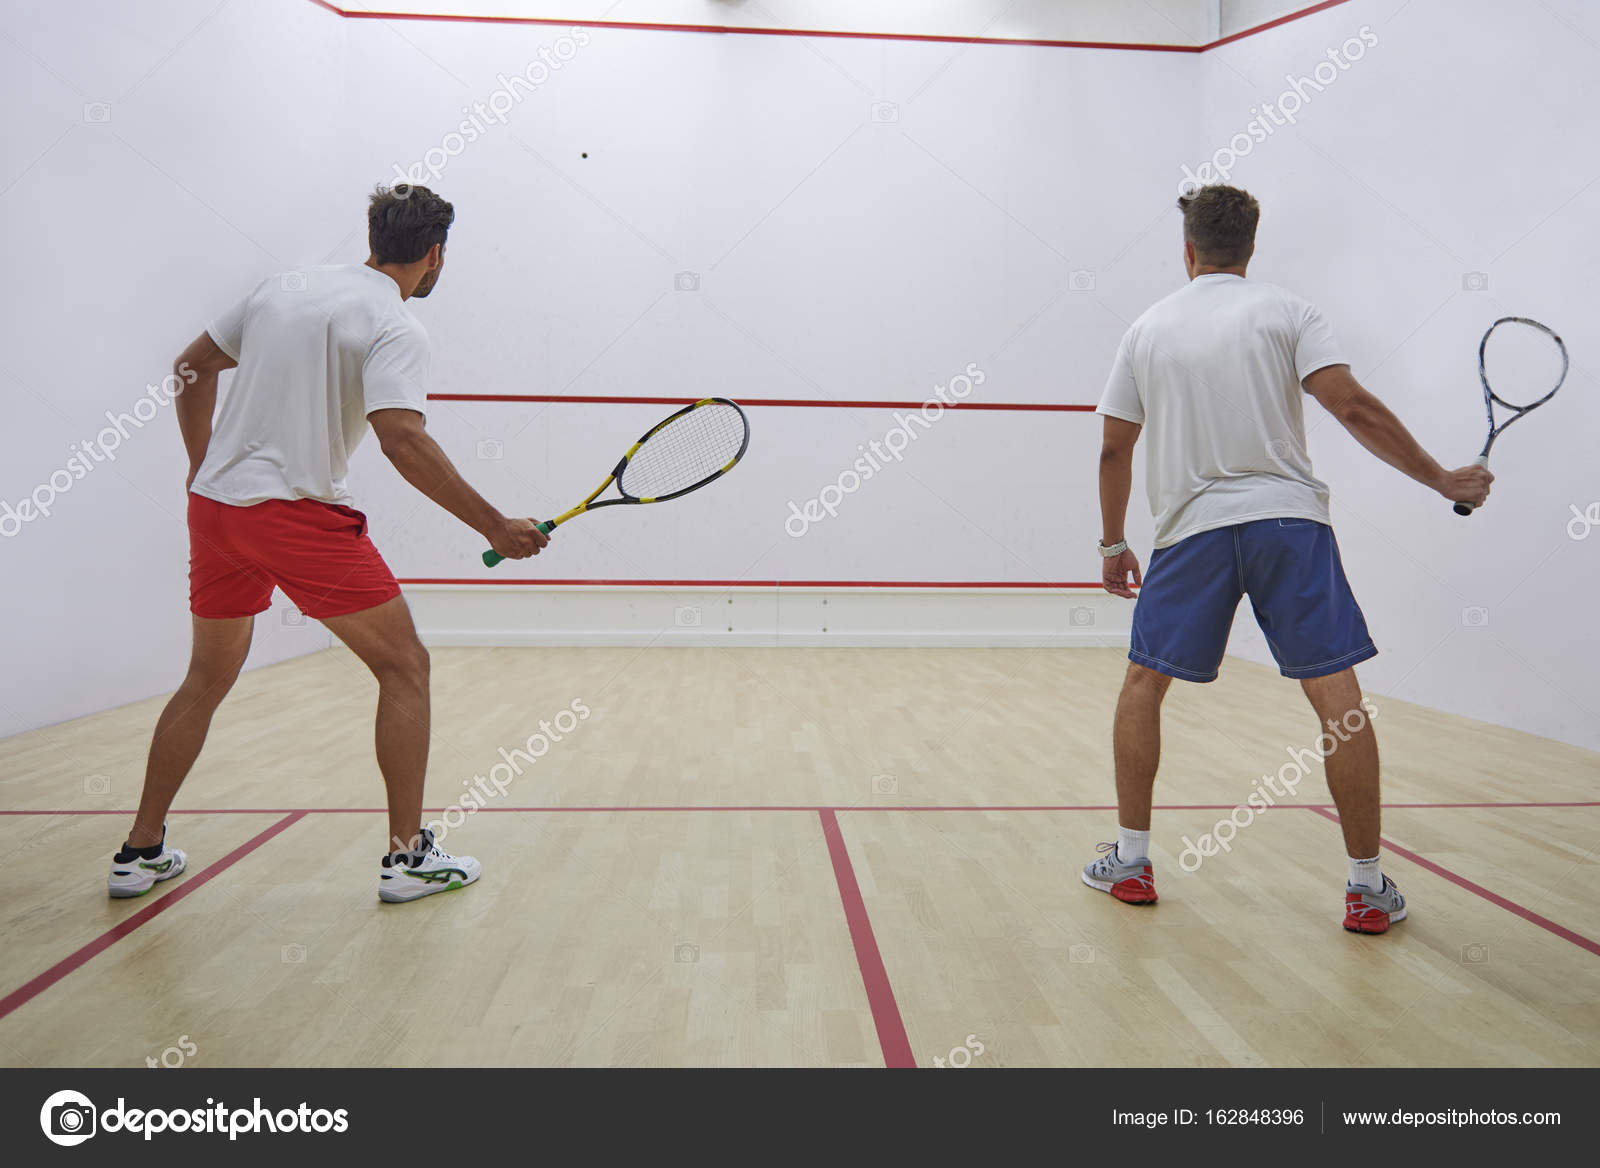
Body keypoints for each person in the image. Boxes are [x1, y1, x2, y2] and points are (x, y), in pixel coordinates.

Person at [108, 184, 550, 904]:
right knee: (405, 668)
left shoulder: (283, 288)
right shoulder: (396, 326)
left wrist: (202, 465)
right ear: (435, 255)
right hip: (293, 519)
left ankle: (139, 850)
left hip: (215, 511)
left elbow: (189, 368)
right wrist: (495, 526)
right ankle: (407, 860)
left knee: (206, 677)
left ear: (374, 237)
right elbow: (402, 439)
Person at [1082, 183, 1493, 933]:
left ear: (1188, 250)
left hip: (1191, 532)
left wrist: (1113, 544)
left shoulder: (1146, 329)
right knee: (1338, 697)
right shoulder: (1289, 312)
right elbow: (1354, 407)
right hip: (1289, 526)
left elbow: (1115, 445)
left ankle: (1132, 863)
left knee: (1143, 685)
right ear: (1251, 246)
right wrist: (1441, 479)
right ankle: (1367, 888)